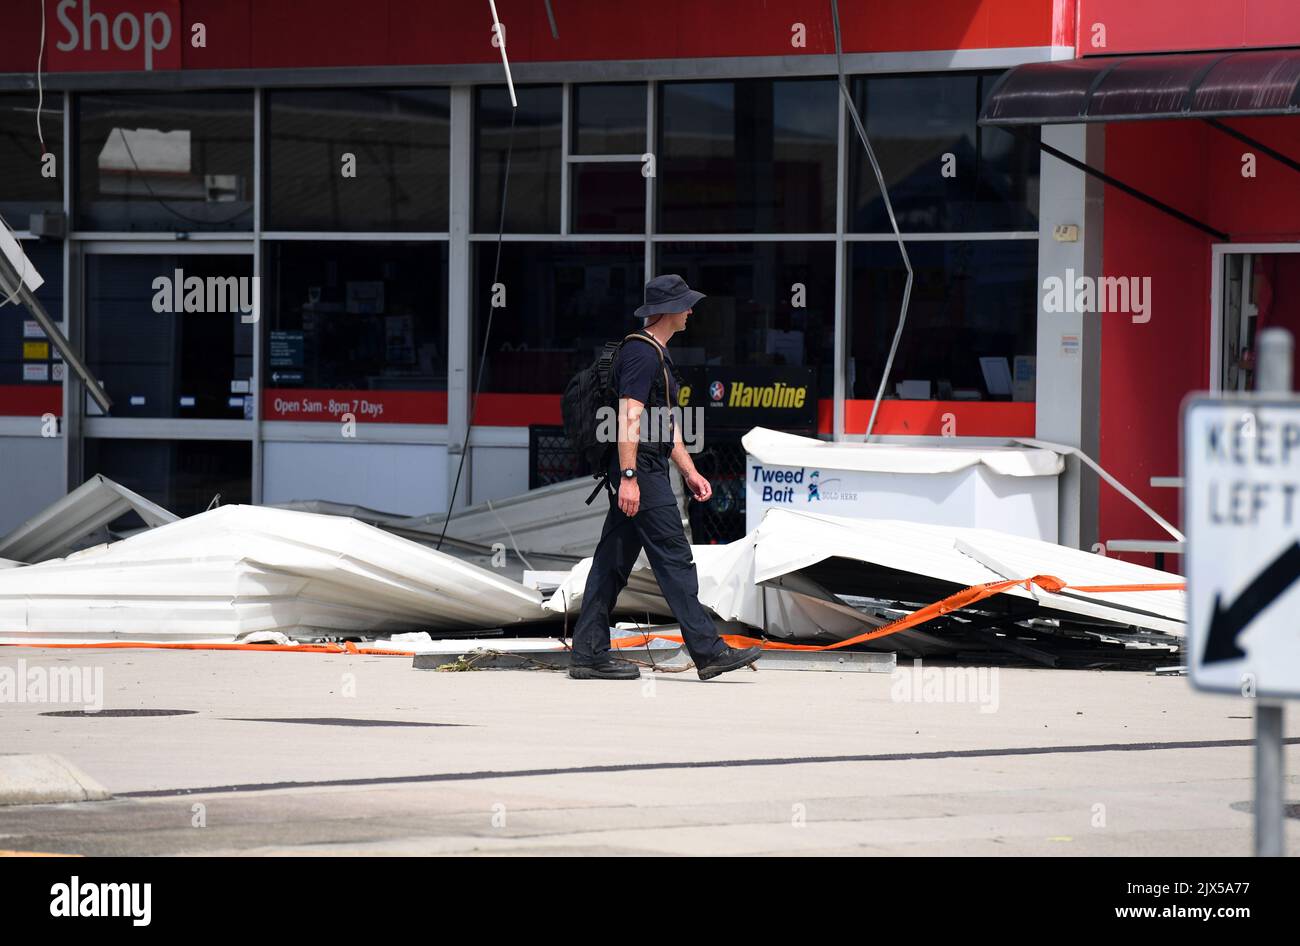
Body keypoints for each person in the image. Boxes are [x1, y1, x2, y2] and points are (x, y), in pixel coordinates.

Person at [568, 275, 763, 681]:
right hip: (641, 470)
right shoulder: (641, 354)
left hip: (647, 467)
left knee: (611, 563)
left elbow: (664, 423)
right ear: (667, 311)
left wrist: (690, 471)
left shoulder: (656, 353)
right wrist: (628, 476)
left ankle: (587, 652)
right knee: (674, 557)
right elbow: (629, 417)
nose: (692, 312)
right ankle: (709, 652)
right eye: (686, 305)